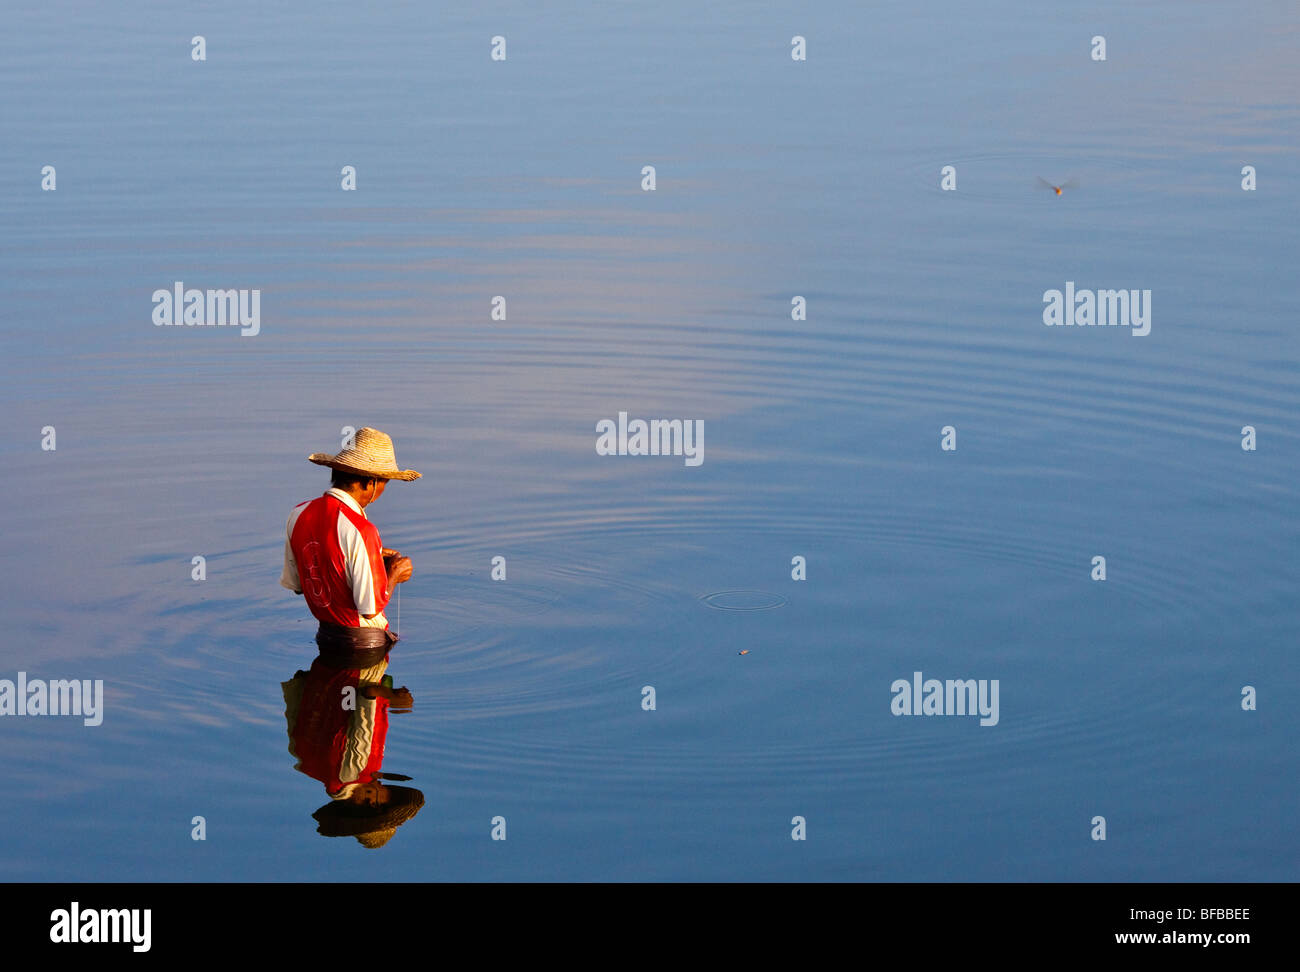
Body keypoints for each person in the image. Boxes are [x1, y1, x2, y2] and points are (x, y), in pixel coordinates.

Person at [280, 427, 419, 667]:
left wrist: (371, 556)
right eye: (385, 482)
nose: (383, 491)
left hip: (325, 638)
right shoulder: (362, 530)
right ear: (371, 482)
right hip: (365, 651)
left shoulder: (298, 514)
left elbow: (300, 586)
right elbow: (370, 608)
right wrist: (394, 573)